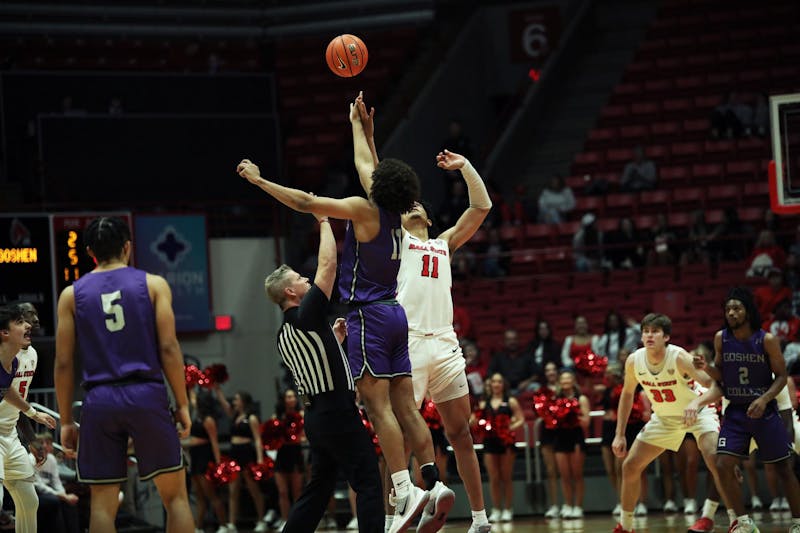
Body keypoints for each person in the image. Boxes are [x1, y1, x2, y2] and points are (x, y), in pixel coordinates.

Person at [238, 92, 446, 533]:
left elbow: (303, 203)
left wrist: (260, 182)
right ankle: (432, 478)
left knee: (377, 404)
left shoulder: (362, 209)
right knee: (408, 406)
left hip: (368, 313)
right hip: (396, 313)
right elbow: (370, 166)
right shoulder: (397, 210)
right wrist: (362, 129)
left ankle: (405, 490)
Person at [53, 216, 194, 533]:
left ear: (89, 252)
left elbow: (63, 363)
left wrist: (64, 420)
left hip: (100, 399)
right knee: (176, 498)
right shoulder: (154, 284)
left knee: (103, 504)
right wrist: (183, 403)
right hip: (146, 393)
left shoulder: (70, 295)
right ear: (128, 247)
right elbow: (169, 348)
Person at [389, 142, 491, 532]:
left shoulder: (443, 243)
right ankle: (393, 516)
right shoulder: (399, 241)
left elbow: (480, 208)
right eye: (407, 204)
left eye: (419, 204)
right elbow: (378, 188)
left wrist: (465, 166)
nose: (413, 206)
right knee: (399, 435)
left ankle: (480, 519)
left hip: (446, 343)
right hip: (409, 342)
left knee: (460, 431)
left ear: (429, 218)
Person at [263, 211, 383, 533]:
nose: (306, 281)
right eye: (300, 280)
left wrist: (335, 339)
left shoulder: (283, 334)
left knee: (319, 488)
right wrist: (325, 222)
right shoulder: (307, 315)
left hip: (315, 417)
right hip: (337, 410)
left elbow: (314, 360)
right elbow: (328, 267)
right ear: (290, 293)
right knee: (369, 478)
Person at [692, 287, 800, 533]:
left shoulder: (767, 340)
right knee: (722, 465)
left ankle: (798, 523)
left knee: (784, 468)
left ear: (748, 312)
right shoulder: (721, 338)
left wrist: (764, 399)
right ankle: (743, 522)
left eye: (737, 308)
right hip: (736, 412)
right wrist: (706, 368)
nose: (731, 312)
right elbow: (723, 376)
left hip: (764, 411)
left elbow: (782, 376)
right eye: (728, 309)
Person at [611, 313, 729, 533]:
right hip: (665, 418)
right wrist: (620, 434)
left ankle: (732, 520)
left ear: (666, 337)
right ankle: (626, 527)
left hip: (698, 413)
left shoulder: (679, 357)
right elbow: (627, 395)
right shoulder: (634, 361)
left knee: (715, 460)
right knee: (630, 466)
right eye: (646, 331)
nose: (649, 335)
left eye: (655, 331)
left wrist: (696, 403)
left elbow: (713, 384)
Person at [0, 304, 56, 533]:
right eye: (22, 320)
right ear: (5, 332)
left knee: (30, 501)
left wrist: (33, 416)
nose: (31, 323)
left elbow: (8, 391)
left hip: (9, 433)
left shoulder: (16, 360)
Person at [471, 373, 523, 523]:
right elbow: (473, 421)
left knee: (506, 477)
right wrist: (476, 421)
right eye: (494, 381)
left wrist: (510, 427)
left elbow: (520, 419)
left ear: (503, 384)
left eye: (499, 381)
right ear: (490, 384)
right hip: (490, 442)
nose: (496, 384)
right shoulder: (483, 403)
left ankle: (507, 509)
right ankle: (496, 509)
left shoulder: (510, 401)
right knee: (494, 478)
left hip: (506, 442)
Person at [214, 389, 267, 532]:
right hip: (234, 452)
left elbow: (257, 439)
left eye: (236, 399)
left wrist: (260, 459)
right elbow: (224, 405)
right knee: (233, 490)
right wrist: (217, 389)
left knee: (253, 488)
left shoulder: (251, 418)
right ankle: (232, 523)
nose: (234, 402)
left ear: (243, 401)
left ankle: (261, 520)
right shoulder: (234, 416)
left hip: (246, 452)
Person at [183, 389, 227, 533]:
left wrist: (218, 464)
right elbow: (192, 398)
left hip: (205, 459)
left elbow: (214, 443)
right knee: (199, 496)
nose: (194, 401)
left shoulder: (208, 420)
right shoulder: (198, 417)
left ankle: (224, 526)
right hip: (195, 459)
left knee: (212, 495)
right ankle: (198, 528)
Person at [553, 370, 590, 519]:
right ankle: (568, 505)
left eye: (568, 378)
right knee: (565, 475)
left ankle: (578, 506)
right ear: (560, 383)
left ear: (573, 381)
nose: (566, 381)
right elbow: (550, 421)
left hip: (576, 437)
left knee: (577, 474)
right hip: (561, 438)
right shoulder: (555, 399)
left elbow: (587, 422)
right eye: (563, 379)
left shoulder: (581, 399)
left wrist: (572, 415)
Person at [31, 432, 80, 533]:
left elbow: (56, 481)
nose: (46, 446)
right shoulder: (31, 459)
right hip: (34, 492)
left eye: (49, 443)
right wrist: (62, 496)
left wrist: (63, 494)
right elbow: (39, 486)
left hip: (49, 490)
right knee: (55, 500)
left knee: (70, 503)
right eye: (42, 443)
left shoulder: (52, 459)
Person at [273, 390, 306, 528]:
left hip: (295, 452)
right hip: (281, 453)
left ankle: (297, 521)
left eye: (293, 396)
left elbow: (305, 436)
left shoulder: (302, 415)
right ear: (284, 400)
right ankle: (285, 520)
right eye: (288, 397)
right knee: (282, 491)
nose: (291, 399)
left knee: (297, 491)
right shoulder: (278, 417)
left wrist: (297, 439)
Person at [537, 362, 561, 518]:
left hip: (565, 432)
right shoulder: (541, 392)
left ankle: (570, 504)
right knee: (551, 470)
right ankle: (554, 505)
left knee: (566, 472)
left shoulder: (565, 388)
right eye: (548, 370)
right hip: (547, 433)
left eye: (553, 369)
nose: (551, 372)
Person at [487, 329, 540, 394]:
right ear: (504, 341)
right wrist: (501, 381)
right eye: (509, 339)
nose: (512, 342)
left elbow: (537, 374)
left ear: (518, 340)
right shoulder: (498, 357)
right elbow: (490, 372)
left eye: (514, 339)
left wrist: (526, 382)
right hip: (504, 389)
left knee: (536, 386)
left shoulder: (526, 356)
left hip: (523, 388)